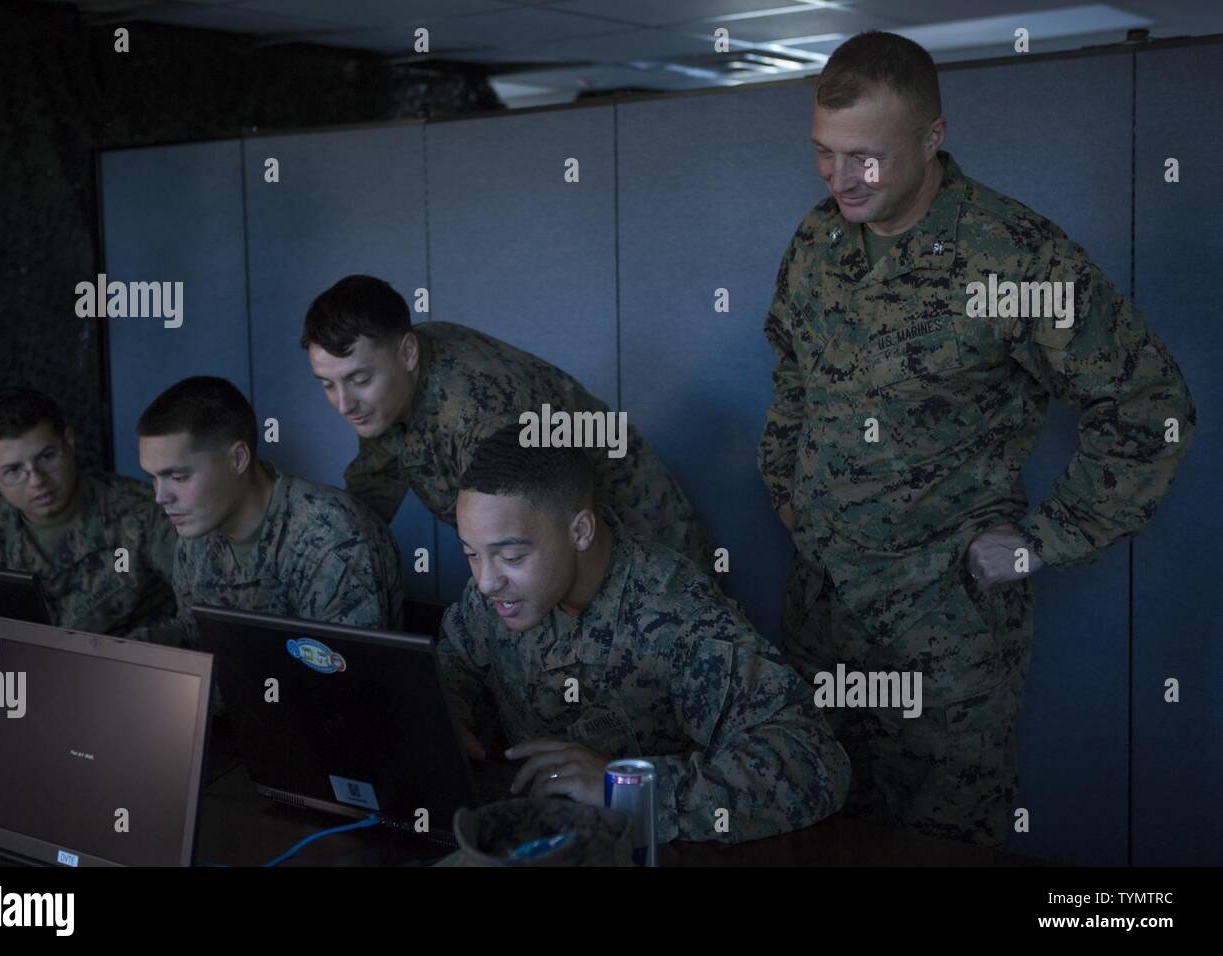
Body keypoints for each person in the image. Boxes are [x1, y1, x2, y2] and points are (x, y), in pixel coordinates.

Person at [758, 31, 1195, 845]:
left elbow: (1150, 409)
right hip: (822, 613)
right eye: (824, 152)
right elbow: (791, 372)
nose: (843, 178)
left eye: (867, 156)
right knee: (815, 826)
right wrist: (785, 490)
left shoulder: (1016, 260)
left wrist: (1043, 541)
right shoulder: (818, 243)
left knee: (940, 845)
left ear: (933, 137)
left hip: (944, 632)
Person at [437, 424, 850, 844]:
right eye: (471, 554)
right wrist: (445, 715)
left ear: (580, 531)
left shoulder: (675, 613)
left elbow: (811, 760)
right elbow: (455, 664)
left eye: (511, 556)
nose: (487, 581)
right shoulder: (499, 593)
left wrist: (628, 789)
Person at [303, 275, 713, 571]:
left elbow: (526, 554)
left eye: (359, 380)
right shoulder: (388, 378)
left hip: (634, 533)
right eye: (327, 384)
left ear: (408, 354)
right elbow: (371, 490)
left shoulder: (479, 413)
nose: (343, 404)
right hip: (554, 546)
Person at [136, 376, 403, 643]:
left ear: (238, 459)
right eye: (154, 477)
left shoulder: (333, 537)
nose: (161, 497)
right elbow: (196, 637)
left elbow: (347, 672)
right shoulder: (194, 532)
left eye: (179, 477)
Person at [0, 386, 176, 641]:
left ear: (69, 442)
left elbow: (198, 616)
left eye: (47, 457)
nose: (36, 481)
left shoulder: (143, 513)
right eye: (13, 470)